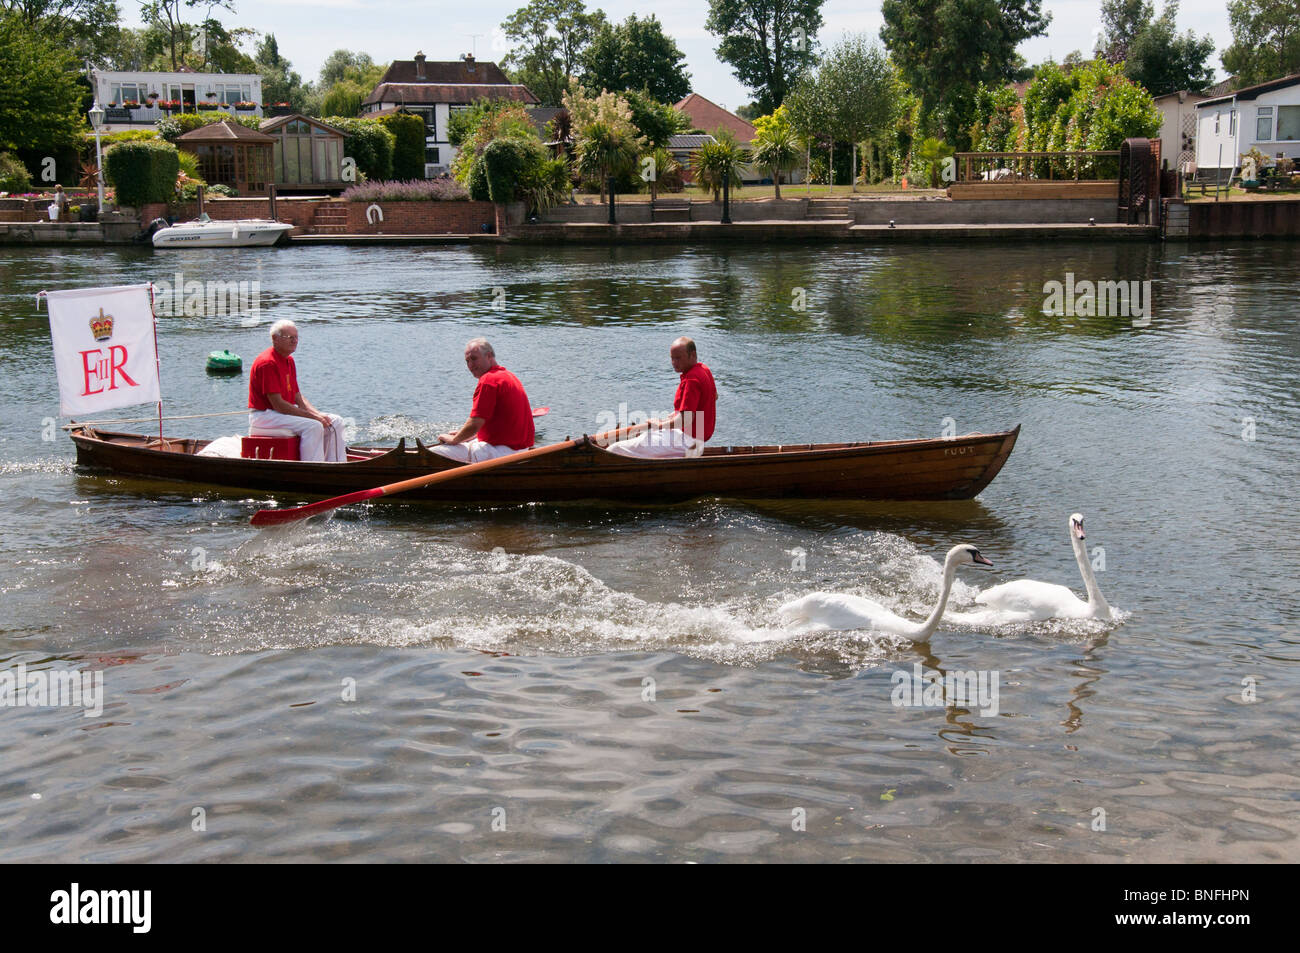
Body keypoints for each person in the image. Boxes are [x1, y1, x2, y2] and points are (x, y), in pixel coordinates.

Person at [248, 319, 346, 462]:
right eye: (290, 337)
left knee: (335, 421)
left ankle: (337, 464)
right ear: (275, 339)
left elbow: (297, 397)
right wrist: (314, 418)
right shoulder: (267, 363)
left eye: (296, 337)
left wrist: (318, 414)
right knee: (313, 426)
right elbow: (279, 405)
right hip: (264, 415)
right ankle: (314, 468)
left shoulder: (289, 360)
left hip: (278, 413)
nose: (295, 341)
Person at [607, 336, 717, 458]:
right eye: (672, 358)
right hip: (696, 443)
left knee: (614, 449)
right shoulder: (704, 369)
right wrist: (673, 416)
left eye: (678, 358)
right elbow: (713, 397)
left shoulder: (691, 379)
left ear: (693, 355)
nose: (674, 362)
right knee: (647, 436)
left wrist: (659, 425)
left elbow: (685, 420)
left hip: (687, 442)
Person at [432, 338, 535, 463]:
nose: (470, 365)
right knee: (459, 445)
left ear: (489, 356)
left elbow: (475, 423)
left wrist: (454, 440)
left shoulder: (489, 380)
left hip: (499, 453)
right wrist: (464, 436)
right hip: (519, 451)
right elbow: (491, 424)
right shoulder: (509, 376)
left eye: (474, 358)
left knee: (433, 453)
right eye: (467, 361)